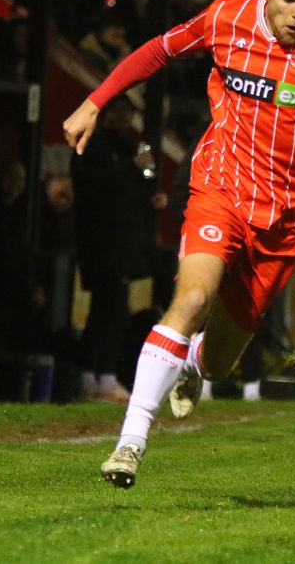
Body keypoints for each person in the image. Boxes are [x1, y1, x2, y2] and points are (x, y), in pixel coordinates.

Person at [63, 0, 295, 488]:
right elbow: (157, 50)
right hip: (219, 187)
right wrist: (95, 101)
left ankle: (195, 363)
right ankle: (129, 443)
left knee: (221, 362)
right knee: (193, 297)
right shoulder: (225, 16)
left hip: (285, 218)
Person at [72, 98, 166, 403]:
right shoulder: (94, 146)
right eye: (118, 112)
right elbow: (95, 189)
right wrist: (130, 168)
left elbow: (139, 189)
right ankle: (99, 378)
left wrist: (152, 198)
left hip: (123, 245)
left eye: (128, 113)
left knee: (108, 311)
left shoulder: (130, 147)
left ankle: (93, 378)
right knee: (109, 311)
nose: (123, 119)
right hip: (102, 243)